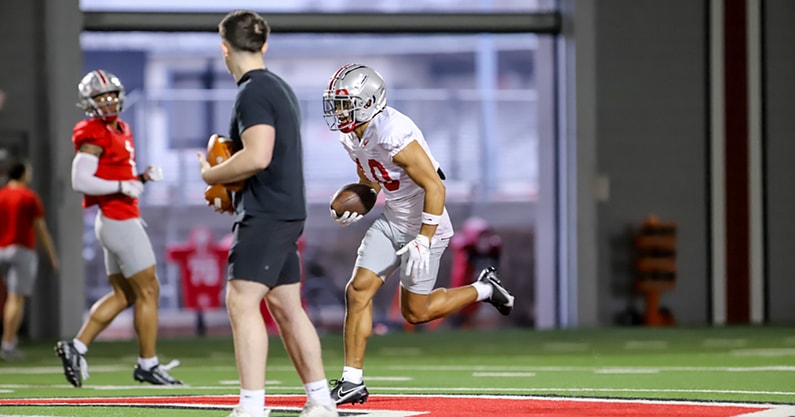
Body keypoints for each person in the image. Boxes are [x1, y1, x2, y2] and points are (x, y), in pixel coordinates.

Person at [322, 63, 515, 405]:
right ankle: (352, 381)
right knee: (357, 290)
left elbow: (435, 187)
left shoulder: (394, 133)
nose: (339, 112)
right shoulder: (351, 136)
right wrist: (358, 204)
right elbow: (371, 180)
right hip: (393, 219)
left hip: (428, 224)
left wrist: (424, 238)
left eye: (345, 103)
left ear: (368, 102)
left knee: (416, 313)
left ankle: (485, 289)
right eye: (336, 104)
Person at [196, 10, 337, 417]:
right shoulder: (277, 86)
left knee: (241, 300)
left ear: (225, 49)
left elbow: (258, 156)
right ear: (264, 44)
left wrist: (212, 175)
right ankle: (321, 400)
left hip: (267, 213)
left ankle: (252, 406)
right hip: (285, 209)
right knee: (285, 306)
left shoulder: (253, 92)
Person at [55, 69, 181, 387]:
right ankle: (148, 364)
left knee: (124, 294)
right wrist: (124, 185)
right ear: (89, 102)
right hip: (118, 220)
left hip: (117, 219)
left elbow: (115, 177)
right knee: (149, 290)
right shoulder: (93, 132)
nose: (109, 102)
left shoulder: (121, 128)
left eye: (112, 95)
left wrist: (139, 179)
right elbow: (80, 180)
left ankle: (76, 347)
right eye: (101, 97)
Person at [0, 161, 59, 360]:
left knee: (8, 298)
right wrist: (52, 255)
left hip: (2, 250)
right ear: (23, 174)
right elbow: (40, 228)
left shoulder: (1, 195)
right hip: (21, 250)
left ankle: (9, 341)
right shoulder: (28, 197)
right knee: (16, 299)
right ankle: (8, 344)